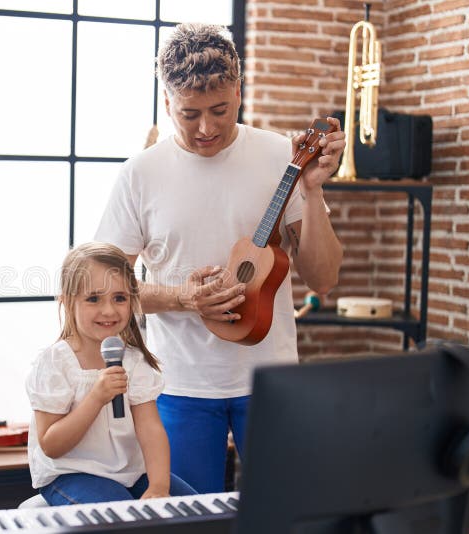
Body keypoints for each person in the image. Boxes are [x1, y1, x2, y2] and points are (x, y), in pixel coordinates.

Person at [95, 23, 345, 493]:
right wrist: (184, 298)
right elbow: (104, 291)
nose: (206, 128)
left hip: (272, 382)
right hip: (178, 386)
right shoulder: (139, 174)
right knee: (190, 521)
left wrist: (312, 192)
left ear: (239, 91)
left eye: (220, 110)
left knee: (285, 515)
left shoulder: (282, 156)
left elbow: (323, 278)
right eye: (189, 114)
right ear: (166, 101)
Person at [25, 242, 196, 505]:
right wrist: (96, 397)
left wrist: (159, 486)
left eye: (120, 298)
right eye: (93, 299)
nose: (109, 310)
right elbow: (51, 445)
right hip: (72, 473)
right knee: (121, 518)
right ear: (68, 303)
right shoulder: (56, 363)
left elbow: (150, 428)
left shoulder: (134, 360)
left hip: (130, 472)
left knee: (196, 512)